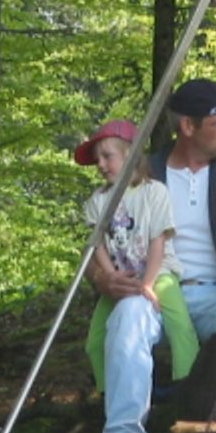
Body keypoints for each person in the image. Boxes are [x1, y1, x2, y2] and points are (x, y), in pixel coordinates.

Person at [89, 77, 216, 433]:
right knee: (128, 317)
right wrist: (102, 279)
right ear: (187, 126)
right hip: (151, 287)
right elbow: (97, 240)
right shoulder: (143, 173)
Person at [77, 119, 198, 399]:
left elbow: (158, 241)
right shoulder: (97, 201)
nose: (101, 164)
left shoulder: (154, 192)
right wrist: (111, 277)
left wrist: (148, 284)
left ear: (130, 154)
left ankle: (188, 388)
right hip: (122, 278)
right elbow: (97, 245)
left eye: (107, 156)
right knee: (95, 341)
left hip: (158, 272)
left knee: (181, 327)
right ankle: (109, 393)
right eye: (97, 159)